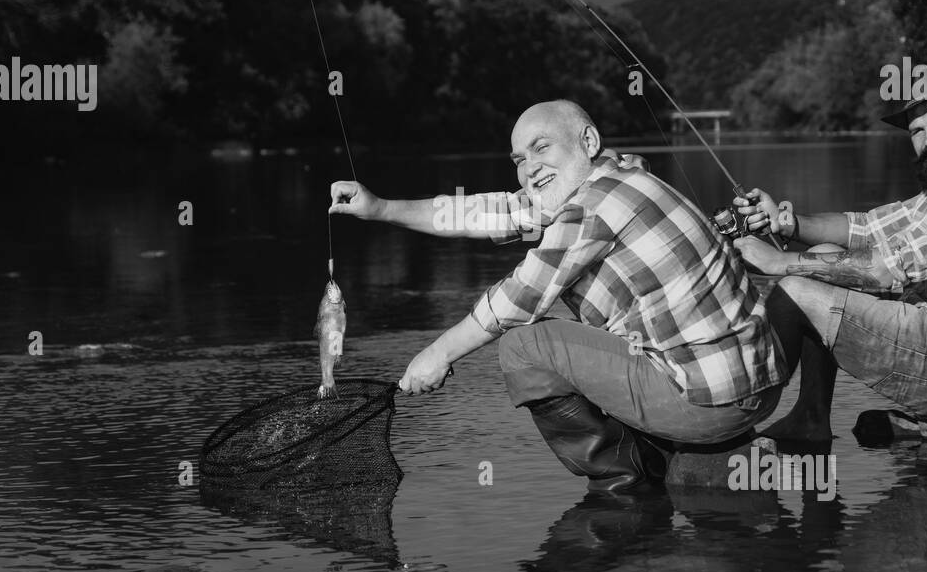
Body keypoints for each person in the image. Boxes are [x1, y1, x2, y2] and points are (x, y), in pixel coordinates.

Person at [329, 100, 788, 492]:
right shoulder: (618, 174)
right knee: (556, 333)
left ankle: (630, 477)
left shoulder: (590, 209)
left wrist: (437, 353)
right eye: (518, 158)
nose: (528, 168)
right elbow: (486, 211)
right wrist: (380, 208)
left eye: (541, 148)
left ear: (587, 141)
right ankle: (678, 447)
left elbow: (518, 298)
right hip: (756, 384)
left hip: (711, 402)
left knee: (522, 345)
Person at [731, 84, 927, 440]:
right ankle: (809, 419)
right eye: (917, 131)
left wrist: (778, 262)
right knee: (822, 257)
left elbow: (882, 270)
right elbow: (867, 228)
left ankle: (731, 424)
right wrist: (787, 223)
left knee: (795, 292)